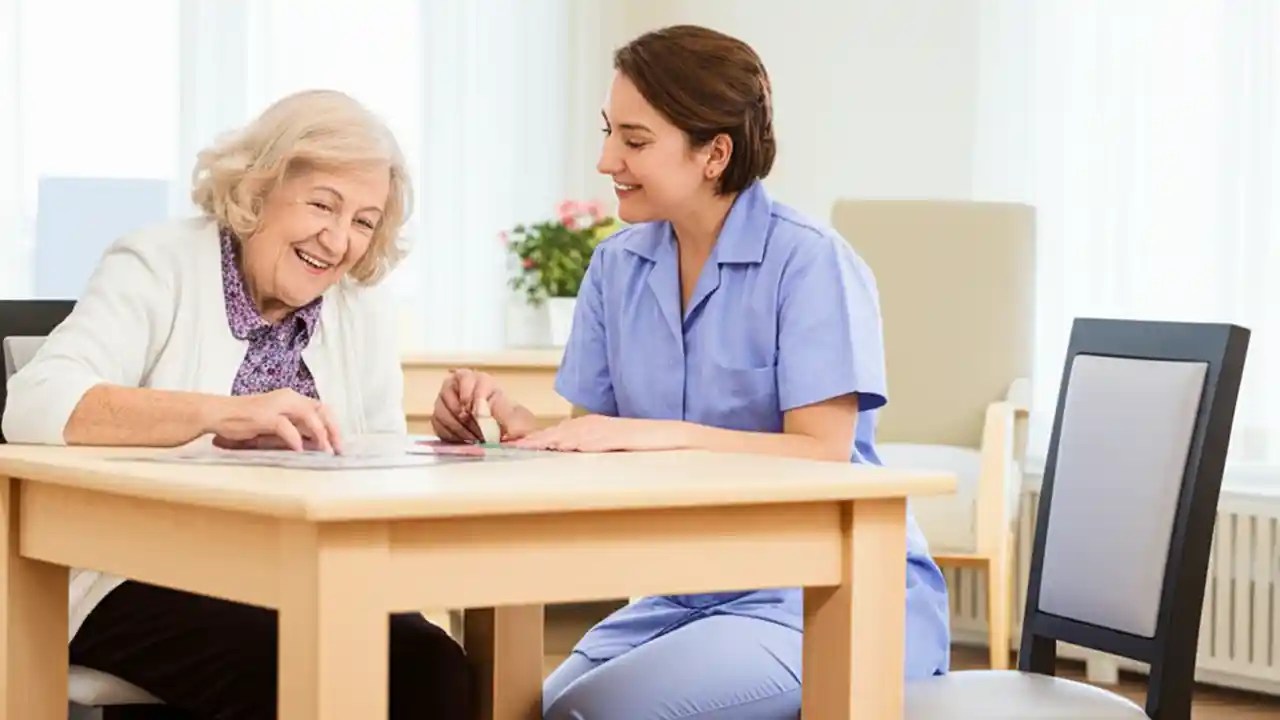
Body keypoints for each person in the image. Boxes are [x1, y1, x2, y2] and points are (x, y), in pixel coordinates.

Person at [431, 24, 950, 720]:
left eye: (635, 141)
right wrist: (517, 430)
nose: (606, 158)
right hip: (683, 595)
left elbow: (824, 454)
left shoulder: (809, 262)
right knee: (529, 711)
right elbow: (600, 439)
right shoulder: (616, 268)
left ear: (715, 153)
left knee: (595, 717)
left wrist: (655, 434)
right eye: (609, 132)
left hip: (830, 598)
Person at [3, 90, 470, 719]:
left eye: (363, 220)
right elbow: (34, 404)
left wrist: (452, 440)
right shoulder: (156, 262)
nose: (337, 242)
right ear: (257, 188)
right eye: (321, 205)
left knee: (431, 664)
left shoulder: (361, 306)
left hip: (306, 575)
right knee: (302, 669)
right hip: (134, 574)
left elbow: (377, 461)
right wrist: (217, 413)